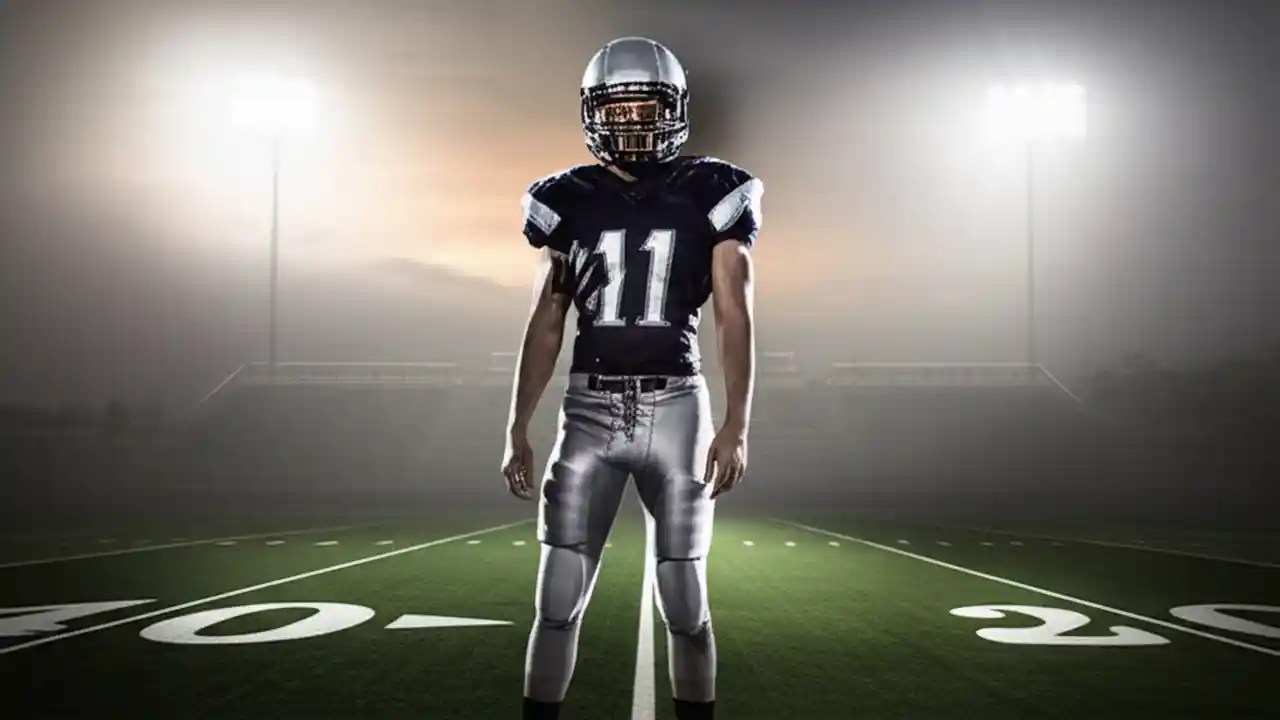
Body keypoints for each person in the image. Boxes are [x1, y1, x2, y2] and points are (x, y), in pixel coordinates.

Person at [501, 36, 761, 720]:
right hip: (587, 410)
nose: (636, 123)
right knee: (556, 597)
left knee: (684, 596)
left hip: (677, 407)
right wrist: (516, 426)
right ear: (594, 113)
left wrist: (736, 423)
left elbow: (734, 312)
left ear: (675, 109)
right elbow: (545, 320)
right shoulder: (566, 198)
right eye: (620, 110)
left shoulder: (714, 188)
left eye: (649, 108)